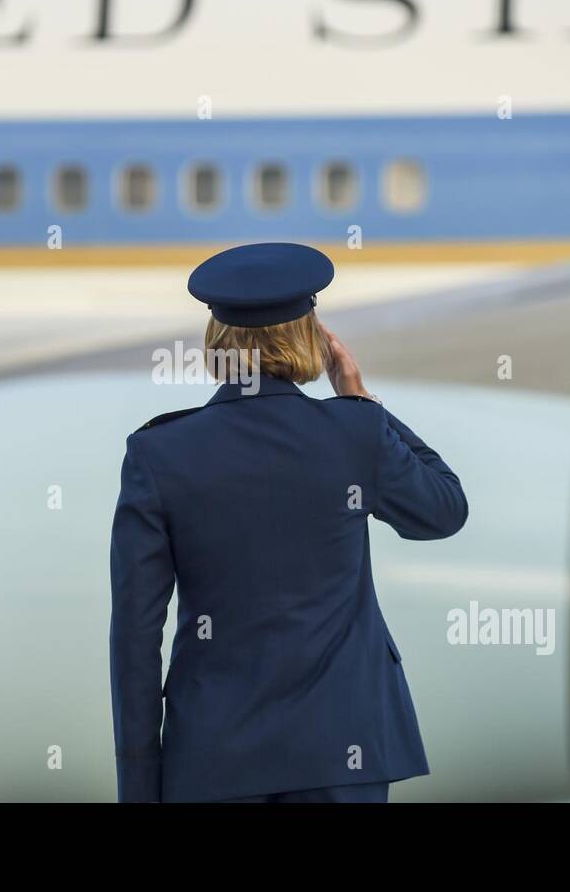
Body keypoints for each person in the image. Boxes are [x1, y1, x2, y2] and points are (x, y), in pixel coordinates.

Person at [109, 242, 468, 803]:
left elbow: (135, 636)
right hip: (341, 757)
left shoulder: (160, 454)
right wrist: (361, 401)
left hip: (214, 764)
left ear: (216, 342)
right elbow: (445, 510)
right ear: (312, 339)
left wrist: (139, 786)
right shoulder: (353, 435)